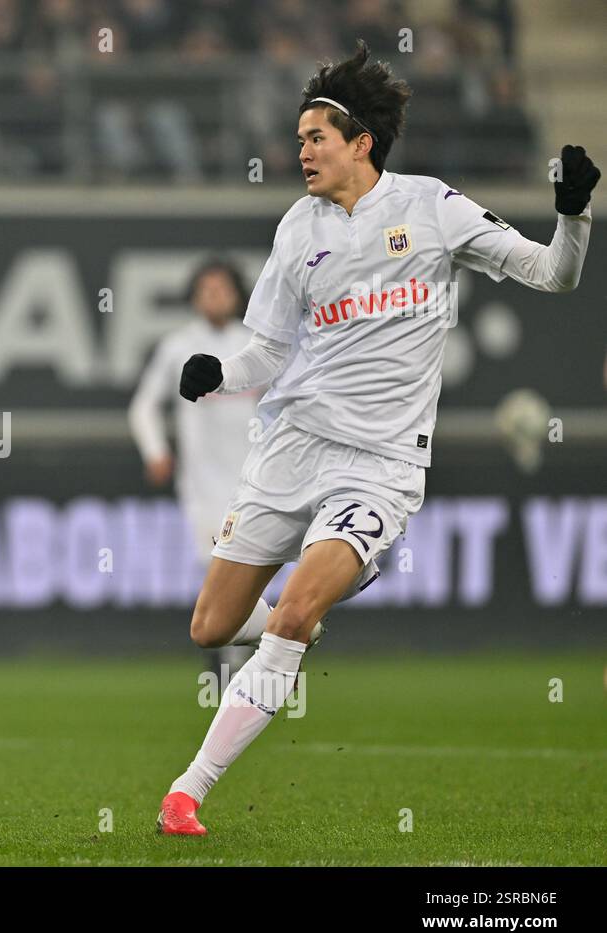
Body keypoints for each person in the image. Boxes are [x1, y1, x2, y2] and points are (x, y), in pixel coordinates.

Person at [156, 42, 597, 836]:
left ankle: (186, 792)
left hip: (382, 465)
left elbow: (555, 275)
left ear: (360, 142)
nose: (301, 152)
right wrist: (215, 371)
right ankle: (332, 587)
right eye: (298, 141)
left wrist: (573, 214)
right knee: (211, 627)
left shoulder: (433, 208)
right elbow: (267, 349)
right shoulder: (298, 230)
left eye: (314, 138)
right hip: (292, 448)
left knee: (289, 618)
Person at [129, 259, 323, 680]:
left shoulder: (255, 345)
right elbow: (144, 405)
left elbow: (287, 400)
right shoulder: (178, 347)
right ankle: (253, 651)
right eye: (206, 288)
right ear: (195, 296)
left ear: (237, 294)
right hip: (201, 482)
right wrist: (155, 451)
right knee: (218, 566)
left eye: (221, 288)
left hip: (255, 478)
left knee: (250, 568)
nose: (214, 295)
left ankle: (255, 649)